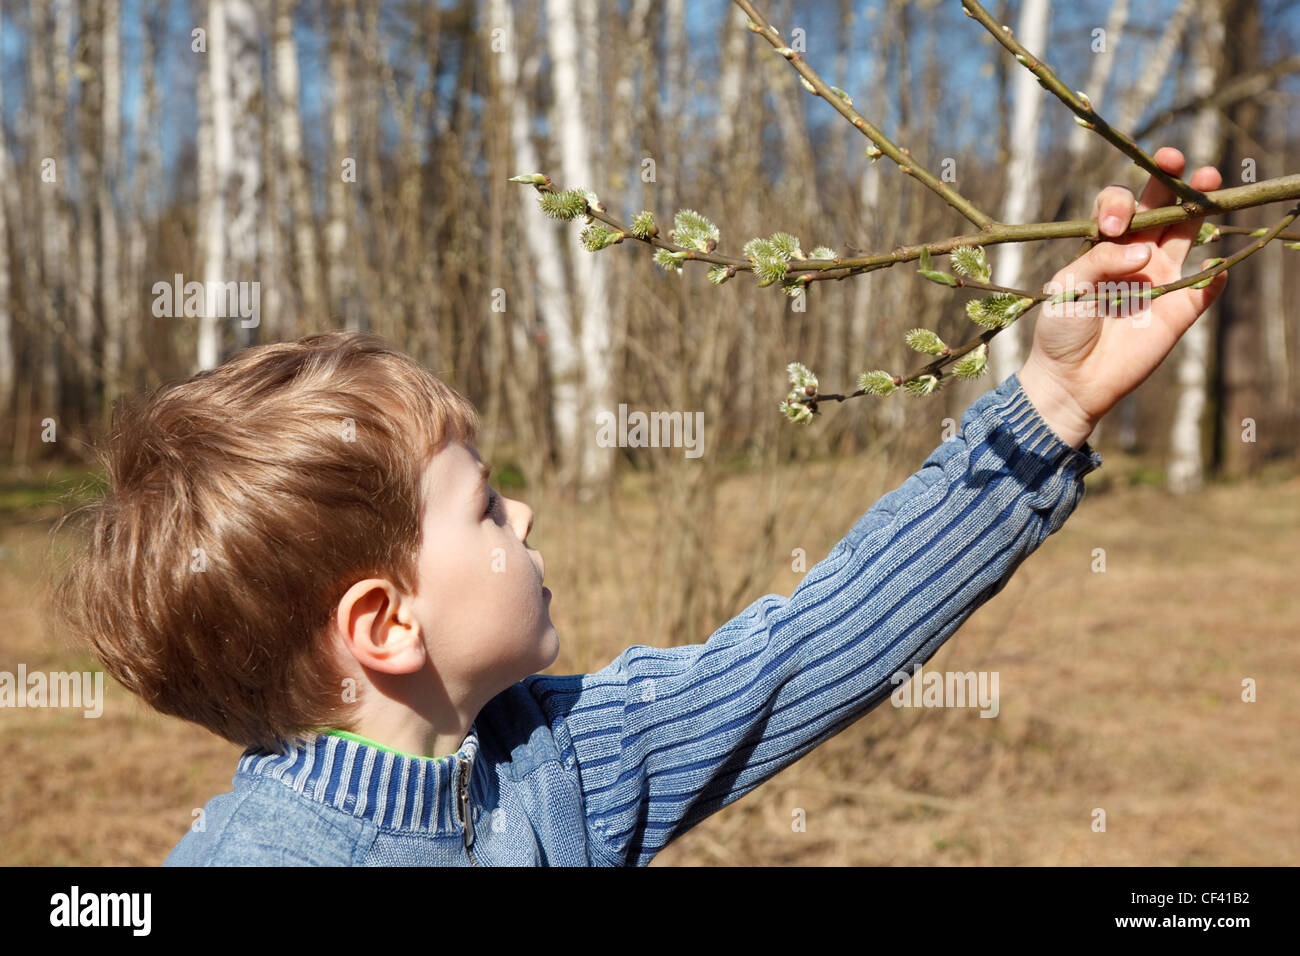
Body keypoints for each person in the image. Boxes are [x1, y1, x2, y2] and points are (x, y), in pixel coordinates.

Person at [60, 147, 1225, 866]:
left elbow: (820, 643)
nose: (523, 517)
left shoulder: (550, 761)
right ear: (385, 623)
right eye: (481, 506)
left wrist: (1054, 398)